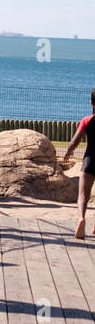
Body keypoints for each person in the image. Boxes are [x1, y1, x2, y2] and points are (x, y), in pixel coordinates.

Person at [59, 87, 95, 239]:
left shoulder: (87, 120)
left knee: (83, 195)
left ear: (92, 103)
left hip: (90, 160)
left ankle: (81, 218)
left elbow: (75, 140)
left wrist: (68, 152)